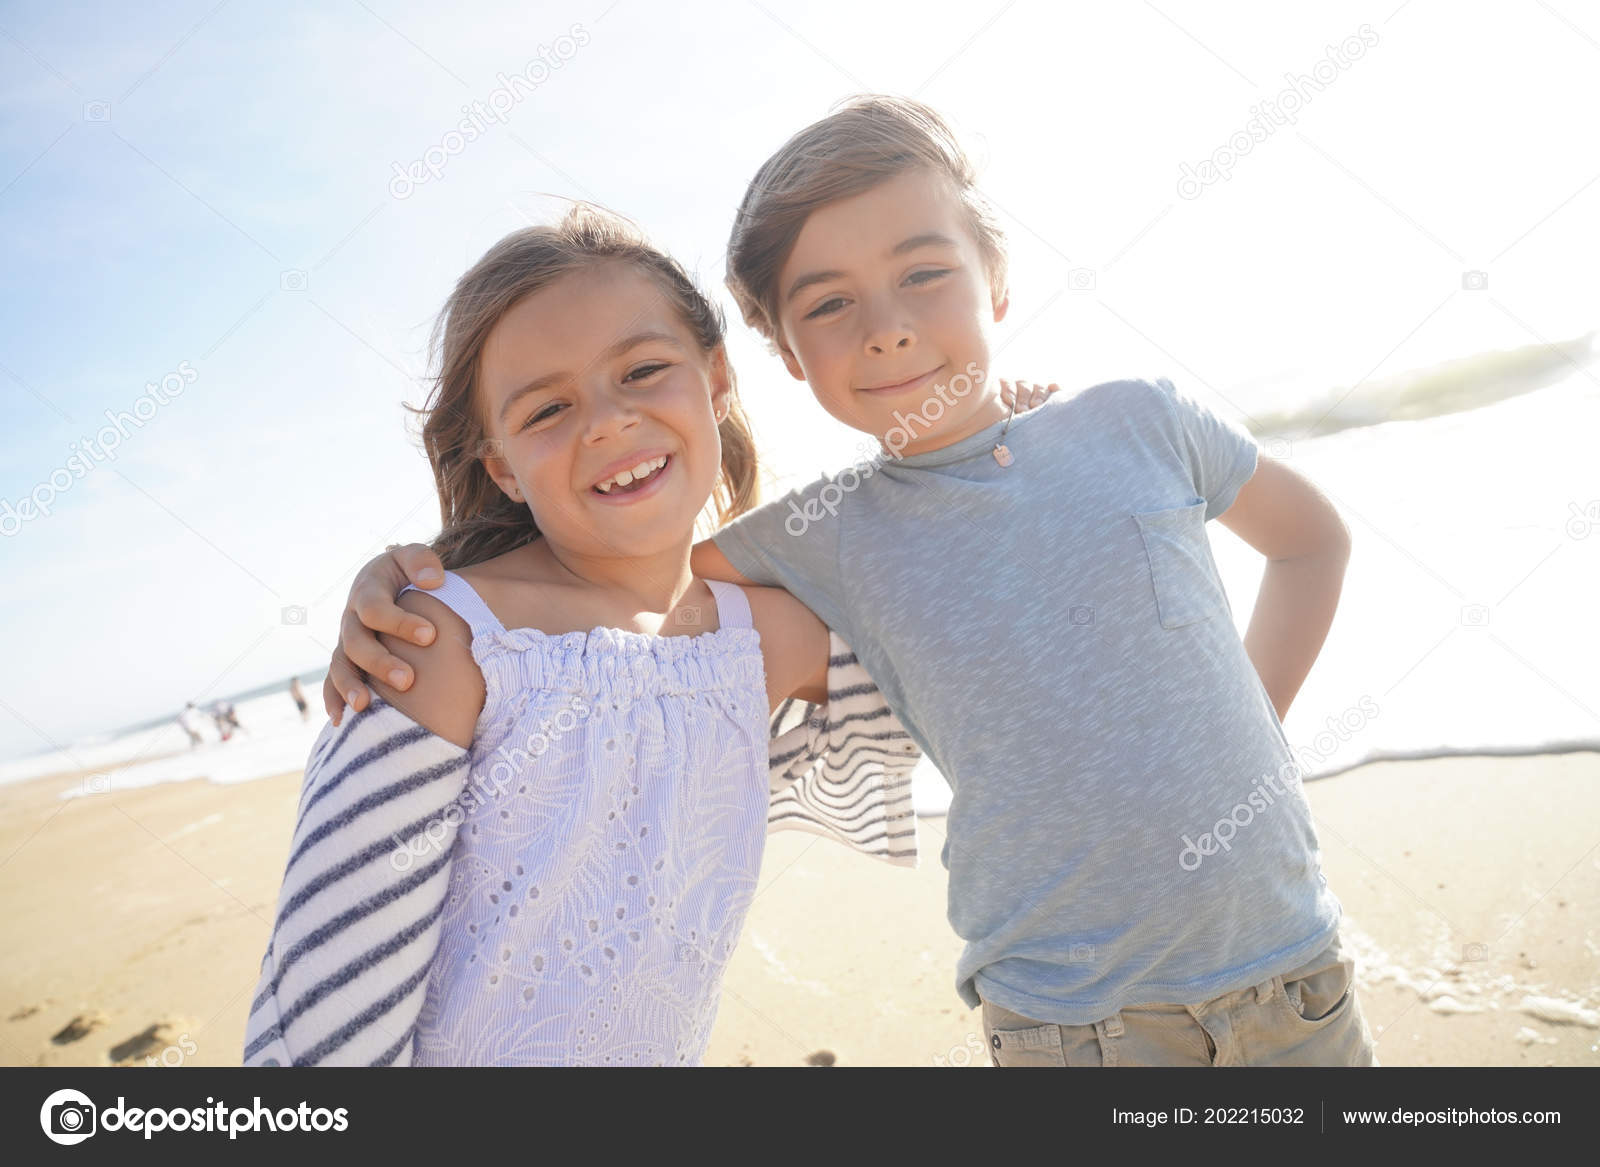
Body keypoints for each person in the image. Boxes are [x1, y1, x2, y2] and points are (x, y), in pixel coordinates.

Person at [330, 98, 1373, 1067]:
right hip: (1072, 1018)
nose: (887, 326)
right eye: (830, 304)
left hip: (1298, 964)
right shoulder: (823, 536)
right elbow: (625, 579)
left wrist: (1250, 749)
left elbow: (1311, 542)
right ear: (785, 355)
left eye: (924, 272)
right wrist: (426, 574)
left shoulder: (1140, 421)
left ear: (996, 279)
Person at [245, 206, 934, 1068]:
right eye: (547, 409)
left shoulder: (763, 635)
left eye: (643, 369)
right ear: (502, 465)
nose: (607, 421)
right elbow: (327, 1015)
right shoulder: (440, 642)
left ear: (717, 380)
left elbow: (957, 662)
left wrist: (997, 437)